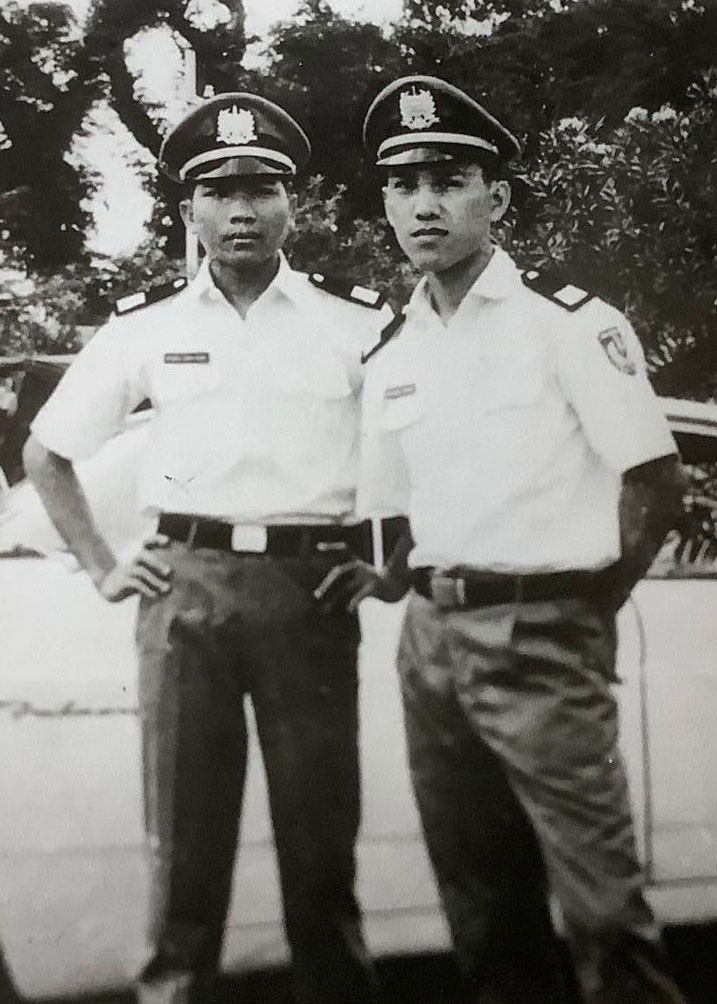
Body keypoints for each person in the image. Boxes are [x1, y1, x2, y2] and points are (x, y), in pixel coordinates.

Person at [318, 75, 689, 1003]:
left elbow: (657, 481)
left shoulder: (567, 325)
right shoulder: (392, 348)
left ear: (498, 197)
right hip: (433, 649)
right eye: (403, 186)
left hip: (543, 635)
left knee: (600, 907)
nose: (423, 205)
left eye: (447, 179)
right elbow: (396, 511)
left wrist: (583, 602)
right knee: (480, 906)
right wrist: (391, 578)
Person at [23, 92, 399, 1004]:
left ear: (291, 204)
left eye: (262, 189)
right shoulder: (145, 325)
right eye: (219, 191)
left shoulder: (355, 323)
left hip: (311, 591)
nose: (242, 211)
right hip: (183, 591)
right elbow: (47, 451)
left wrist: (394, 561)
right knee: (185, 848)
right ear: (187, 208)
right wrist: (108, 566)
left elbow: (424, 441)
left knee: (321, 846)